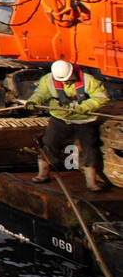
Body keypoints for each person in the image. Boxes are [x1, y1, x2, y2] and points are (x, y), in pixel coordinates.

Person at [29, 59, 110, 191]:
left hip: (85, 120)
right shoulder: (48, 80)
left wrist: (84, 107)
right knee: (48, 144)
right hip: (60, 118)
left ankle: (91, 183)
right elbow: (41, 93)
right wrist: (34, 101)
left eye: (67, 79)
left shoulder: (88, 80)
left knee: (89, 149)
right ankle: (43, 174)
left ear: (72, 72)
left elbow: (102, 97)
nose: (65, 82)